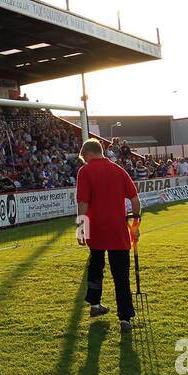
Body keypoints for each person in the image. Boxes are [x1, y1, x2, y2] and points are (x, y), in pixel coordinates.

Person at [75, 137, 139, 332]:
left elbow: (83, 203)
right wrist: (135, 226)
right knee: (121, 275)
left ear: (88, 154)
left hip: (97, 231)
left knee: (96, 267)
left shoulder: (85, 171)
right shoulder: (119, 170)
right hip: (118, 231)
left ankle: (95, 304)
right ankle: (125, 318)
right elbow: (135, 200)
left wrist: (80, 228)